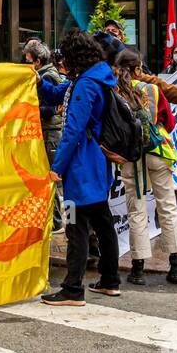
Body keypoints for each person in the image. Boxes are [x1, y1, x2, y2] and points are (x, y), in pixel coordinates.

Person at [40, 30, 120, 305]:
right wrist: (37, 81)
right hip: (96, 165)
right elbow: (57, 93)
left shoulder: (85, 84)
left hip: (81, 166)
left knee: (75, 225)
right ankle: (110, 280)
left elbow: (72, 130)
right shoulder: (95, 78)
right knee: (103, 222)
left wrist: (57, 167)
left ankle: (72, 289)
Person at [114, 50, 177, 284]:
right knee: (167, 206)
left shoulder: (114, 92)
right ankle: (175, 266)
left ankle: (138, 269)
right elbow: (169, 122)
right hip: (158, 152)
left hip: (130, 157)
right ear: (138, 68)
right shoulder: (153, 90)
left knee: (136, 209)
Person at [24, 39, 65, 233]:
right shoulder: (48, 73)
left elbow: (51, 109)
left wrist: (29, 110)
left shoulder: (47, 77)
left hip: (50, 133)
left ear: (38, 61)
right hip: (48, 132)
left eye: (28, 60)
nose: (26, 64)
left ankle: (57, 221)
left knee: (51, 177)